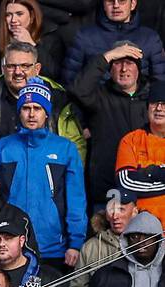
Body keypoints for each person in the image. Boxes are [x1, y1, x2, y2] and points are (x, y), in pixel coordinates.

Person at [0, 40, 85, 204]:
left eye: (25, 66)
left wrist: (60, 188)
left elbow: (76, 147)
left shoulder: (58, 98)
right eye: (12, 66)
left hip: (46, 198)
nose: (18, 72)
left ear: (37, 69)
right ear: (3, 68)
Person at [0, 77, 85, 270]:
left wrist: (75, 243)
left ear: (47, 112)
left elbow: (76, 199)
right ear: (19, 112)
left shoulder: (65, 149)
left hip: (53, 247)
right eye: (26, 108)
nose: (31, 114)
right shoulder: (2, 148)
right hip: (11, 246)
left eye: (37, 108)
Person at [70, 43, 149, 210]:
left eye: (129, 63)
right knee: (102, 237)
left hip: (147, 191)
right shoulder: (99, 96)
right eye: (117, 63)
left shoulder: (152, 97)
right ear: (109, 69)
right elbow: (79, 89)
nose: (123, 69)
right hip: (106, 189)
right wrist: (106, 56)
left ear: (138, 69)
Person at [63, 0, 165, 86]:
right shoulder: (84, 36)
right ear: (103, 5)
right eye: (110, 1)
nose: (116, 5)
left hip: (139, 105)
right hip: (94, 104)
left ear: (133, 4)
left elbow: (160, 83)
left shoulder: (150, 38)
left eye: (122, 1)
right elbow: (70, 81)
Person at [71, 189, 135, 287]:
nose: (115, 216)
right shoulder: (91, 247)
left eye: (121, 209)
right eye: (111, 210)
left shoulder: (147, 245)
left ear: (134, 212)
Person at [115, 83, 165, 225]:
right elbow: (125, 182)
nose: (159, 108)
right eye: (154, 103)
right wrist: (158, 172)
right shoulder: (130, 140)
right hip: (141, 231)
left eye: (164, 103)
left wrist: (147, 173)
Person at [0, 0, 62, 82]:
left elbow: (53, 74)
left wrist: (31, 44)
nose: (13, 20)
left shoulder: (50, 39)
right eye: (8, 15)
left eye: (19, 14)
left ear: (32, 16)